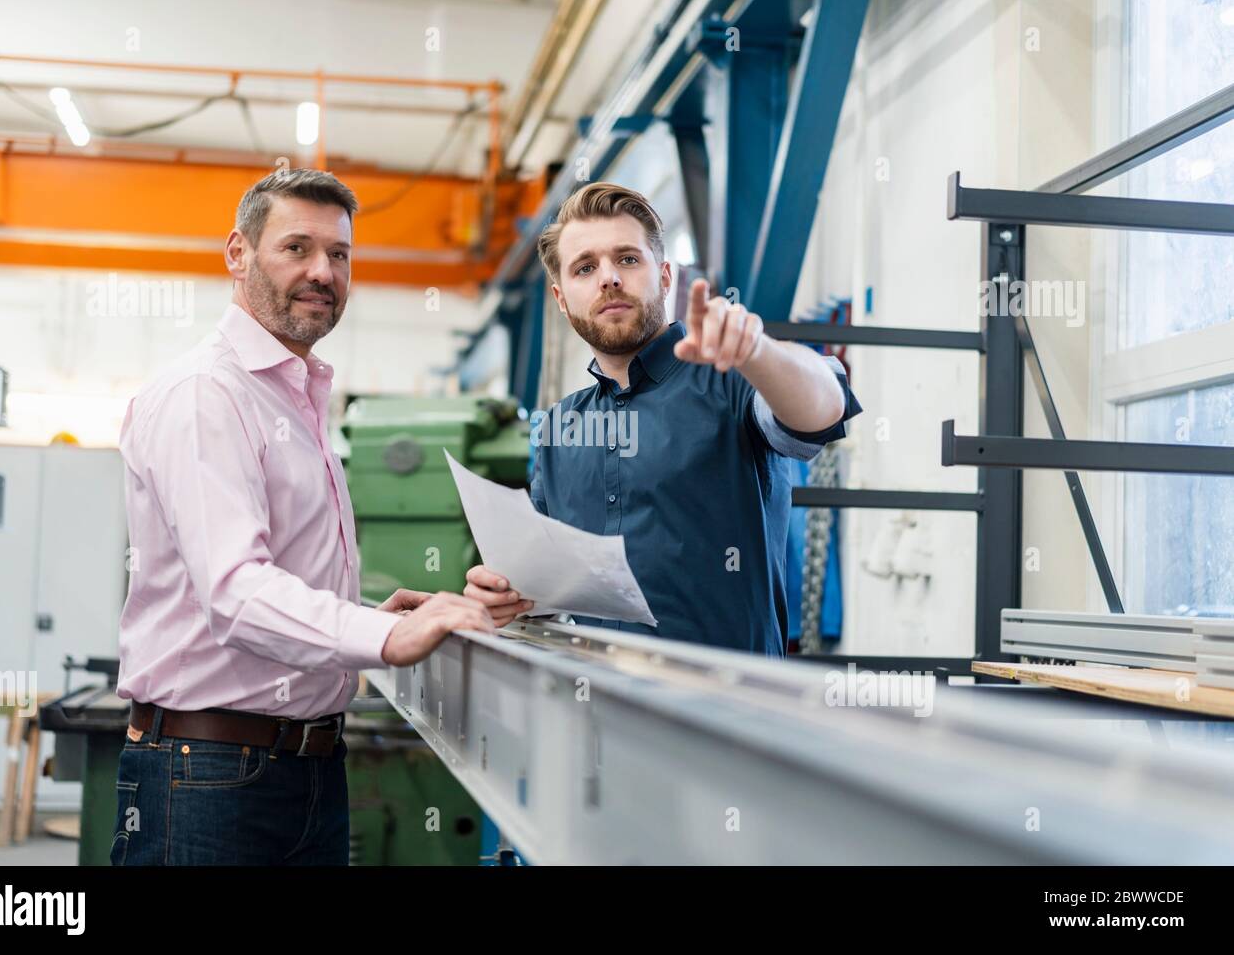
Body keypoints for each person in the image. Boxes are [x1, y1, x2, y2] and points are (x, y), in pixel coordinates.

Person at [112, 168, 494, 866]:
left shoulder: (299, 399)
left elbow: (276, 576)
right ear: (238, 253)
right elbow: (236, 592)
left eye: (340, 255)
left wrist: (376, 611)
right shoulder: (207, 395)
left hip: (307, 765)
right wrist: (383, 636)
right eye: (297, 248)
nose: (323, 271)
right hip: (208, 775)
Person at [464, 182, 860, 656]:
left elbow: (823, 409)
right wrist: (509, 597)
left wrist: (760, 351)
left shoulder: (731, 382)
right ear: (561, 297)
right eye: (585, 267)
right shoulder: (559, 427)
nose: (608, 277)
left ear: (665, 276)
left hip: (729, 713)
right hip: (596, 707)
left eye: (628, 259)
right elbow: (548, 590)